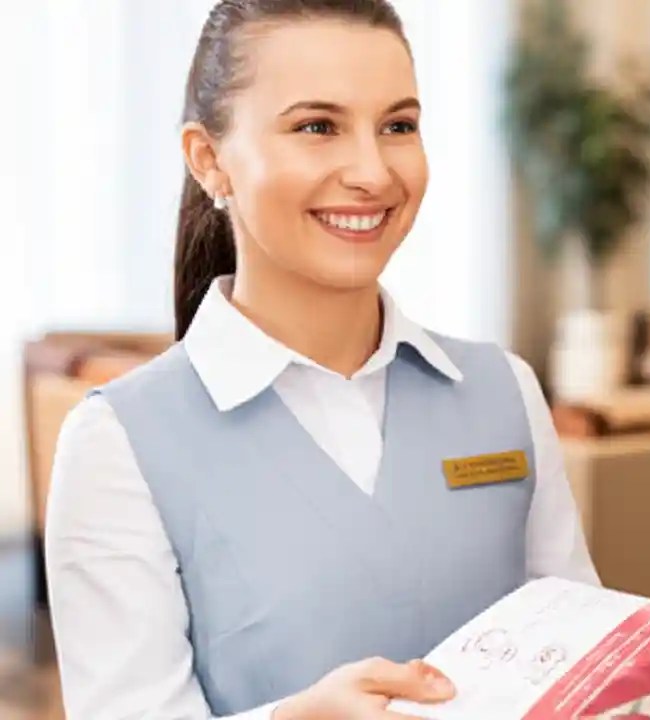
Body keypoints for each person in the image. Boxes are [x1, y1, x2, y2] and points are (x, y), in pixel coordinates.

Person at [43, 1, 598, 718]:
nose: (372, 172)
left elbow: (586, 658)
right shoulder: (119, 443)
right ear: (210, 160)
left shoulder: (505, 391)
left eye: (398, 126)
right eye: (317, 127)